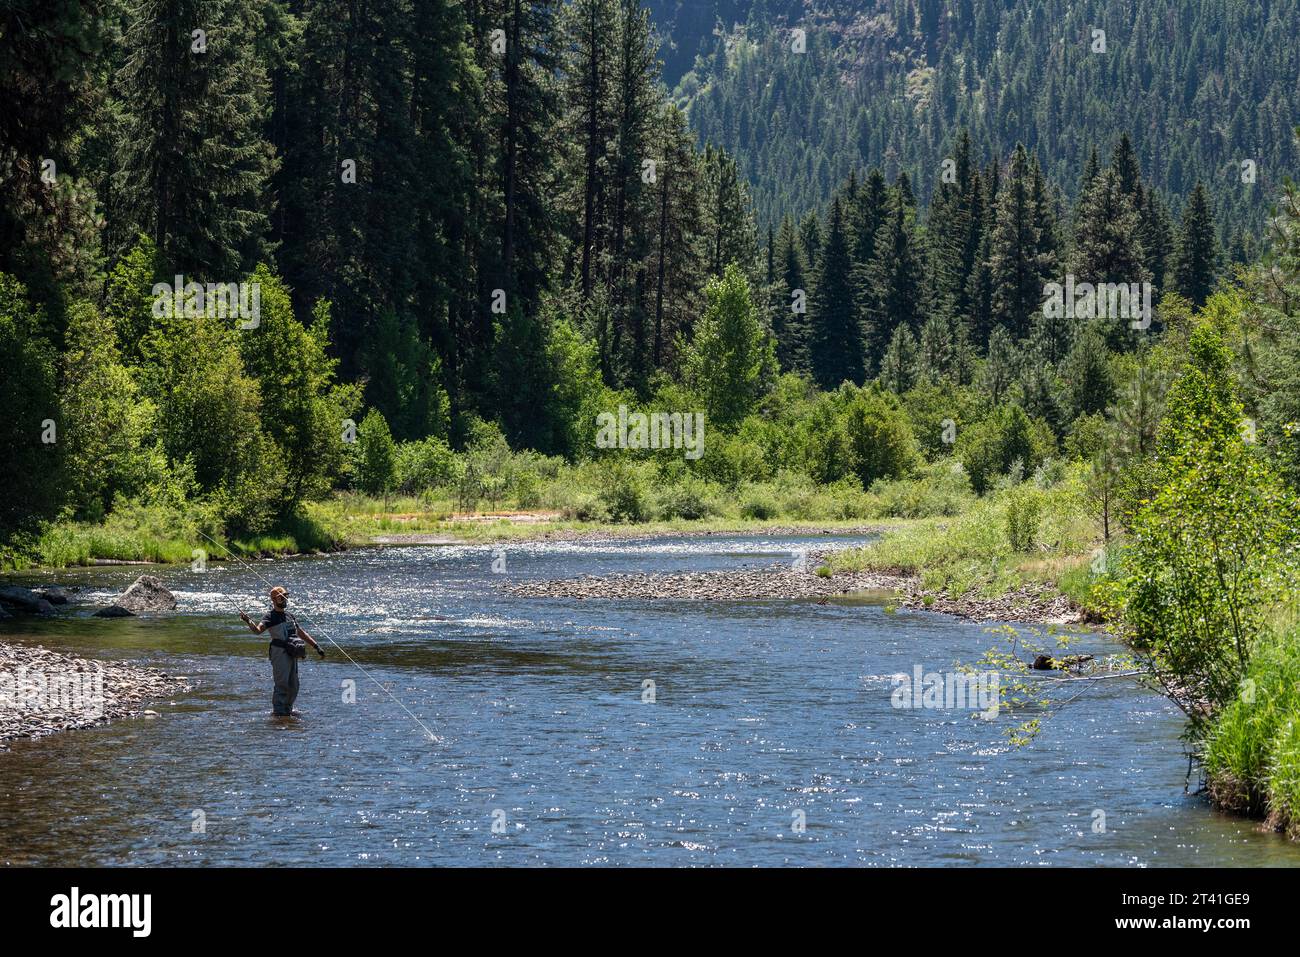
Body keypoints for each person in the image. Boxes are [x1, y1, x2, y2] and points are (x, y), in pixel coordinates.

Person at [240, 586, 325, 716]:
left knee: (294, 685)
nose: (285, 599)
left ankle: (288, 710)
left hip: (292, 652)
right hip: (279, 653)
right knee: (282, 684)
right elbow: (257, 630)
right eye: (282, 597)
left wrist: (316, 646)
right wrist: (248, 621)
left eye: (286, 596)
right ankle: (278, 712)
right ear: (274, 600)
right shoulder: (270, 616)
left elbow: (301, 632)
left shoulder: (290, 616)